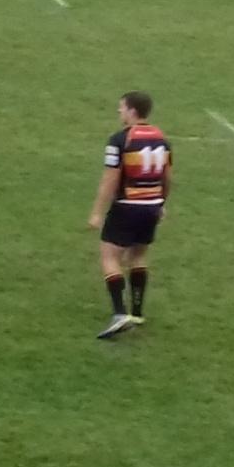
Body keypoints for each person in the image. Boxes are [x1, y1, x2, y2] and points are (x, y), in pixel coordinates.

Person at [89, 90, 170, 340]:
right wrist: (161, 203)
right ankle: (137, 312)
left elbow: (110, 178)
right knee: (138, 255)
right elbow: (167, 177)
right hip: (151, 206)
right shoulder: (162, 140)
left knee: (109, 255)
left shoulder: (119, 140)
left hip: (127, 205)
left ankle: (119, 313)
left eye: (122, 107)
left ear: (132, 111)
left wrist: (97, 212)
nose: (119, 111)